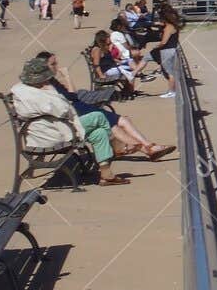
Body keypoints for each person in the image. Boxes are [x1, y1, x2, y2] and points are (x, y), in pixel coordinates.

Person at [9, 56, 129, 186]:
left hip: (53, 126)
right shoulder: (34, 93)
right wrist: (51, 92)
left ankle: (106, 175)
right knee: (98, 116)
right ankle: (117, 144)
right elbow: (62, 109)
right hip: (51, 133)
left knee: (99, 133)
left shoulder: (27, 89)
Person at [36, 52, 171, 161]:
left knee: (123, 121)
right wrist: (66, 76)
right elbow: (70, 97)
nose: (56, 66)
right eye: (53, 64)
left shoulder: (52, 81)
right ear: (43, 66)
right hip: (75, 112)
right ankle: (149, 148)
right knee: (119, 123)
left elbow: (73, 95)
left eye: (56, 63)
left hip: (78, 107)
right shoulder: (45, 84)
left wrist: (66, 78)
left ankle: (149, 148)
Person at [89, 29, 137, 98]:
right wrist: (101, 75)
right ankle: (128, 91)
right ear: (103, 39)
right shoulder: (97, 50)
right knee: (130, 71)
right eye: (108, 37)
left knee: (129, 64)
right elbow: (96, 64)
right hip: (107, 71)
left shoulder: (103, 47)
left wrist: (118, 61)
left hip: (111, 67)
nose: (110, 39)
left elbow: (108, 58)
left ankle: (128, 90)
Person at [149, 4, 182, 96]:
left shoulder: (168, 28)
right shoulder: (173, 25)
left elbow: (164, 42)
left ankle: (172, 91)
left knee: (169, 72)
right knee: (170, 71)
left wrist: (156, 47)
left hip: (167, 50)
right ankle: (172, 91)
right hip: (172, 49)